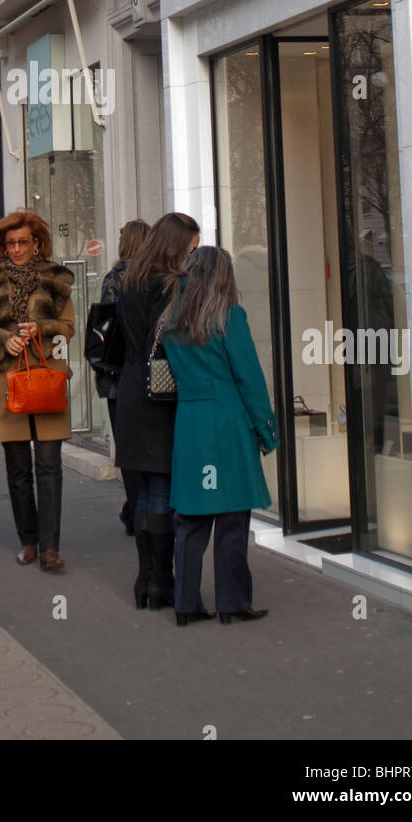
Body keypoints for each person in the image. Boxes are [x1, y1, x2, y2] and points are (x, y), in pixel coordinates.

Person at [162, 246, 279, 626]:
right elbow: (250, 378)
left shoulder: (172, 320)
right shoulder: (229, 316)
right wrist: (267, 429)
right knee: (231, 518)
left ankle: (186, 604)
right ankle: (232, 603)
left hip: (191, 421)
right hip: (226, 421)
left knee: (191, 518)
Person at [0, 212, 74, 572]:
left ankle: (50, 547)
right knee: (17, 468)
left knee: (49, 464)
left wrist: (41, 330)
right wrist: (6, 340)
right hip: (7, 381)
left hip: (45, 378)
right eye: (10, 243)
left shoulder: (55, 279)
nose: (16, 249)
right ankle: (28, 541)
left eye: (23, 242)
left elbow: (67, 329)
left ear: (37, 243)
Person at [115, 212, 200, 610]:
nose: (191, 256)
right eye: (190, 248)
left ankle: (145, 578)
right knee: (163, 489)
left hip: (132, 387)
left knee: (145, 488)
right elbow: (172, 340)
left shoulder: (130, 279)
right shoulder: (171, 283)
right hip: (162, 390)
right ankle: (162, 581)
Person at [89, 220, 150, 535]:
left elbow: (107, 329)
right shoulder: (158, 278)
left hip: (118, 377)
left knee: (129, 448)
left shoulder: (115, 278)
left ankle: (137, 509)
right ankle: (143, 509)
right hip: (151, 377)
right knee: (151, 447)